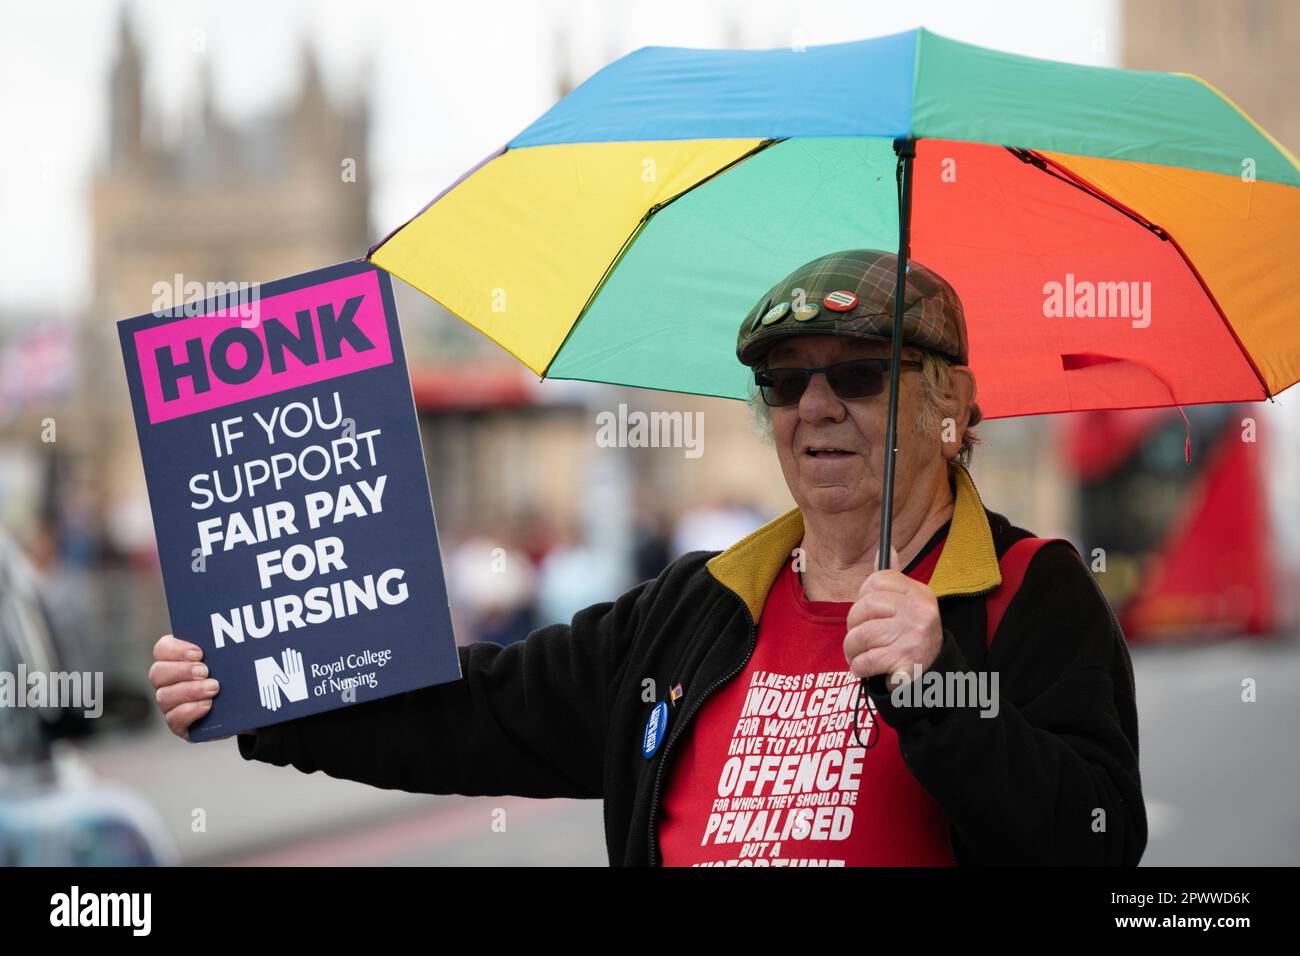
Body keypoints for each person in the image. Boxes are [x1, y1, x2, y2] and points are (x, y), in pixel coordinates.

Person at [151, 249, 1147, 866]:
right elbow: (480, 711)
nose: (814, 408)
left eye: (857, 373)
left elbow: (1093, 836)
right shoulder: (699, 605)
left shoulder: (1030, 590)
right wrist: (258, 684)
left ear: (948, 407)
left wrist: (939, 692)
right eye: (781, 384)